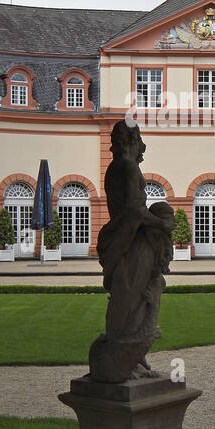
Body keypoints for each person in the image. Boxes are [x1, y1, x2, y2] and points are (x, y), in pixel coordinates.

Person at [90, 119, 176, 382]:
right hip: (131, 243)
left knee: (132, 299)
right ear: (131, 141)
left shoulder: (117, 168)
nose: (142, 147)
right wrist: (160, 222)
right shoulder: (127, 168)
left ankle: (133, 360)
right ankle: (121, 362)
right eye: (138, 140)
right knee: (129, 300)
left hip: (127, 239)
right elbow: (134, 210)